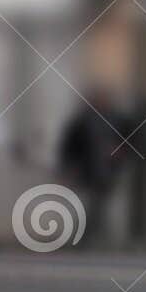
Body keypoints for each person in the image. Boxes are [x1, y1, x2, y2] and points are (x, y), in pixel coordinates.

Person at [55, 87, 128, 247]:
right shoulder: (82, 121)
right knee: (92, 204)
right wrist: (68, 167)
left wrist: (120, 154)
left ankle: (92, 236)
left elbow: (127, 142)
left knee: (98, 204)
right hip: (87, 170)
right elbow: (70, 146)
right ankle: (89, 236)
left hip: (108, 170)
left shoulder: (117, 120)